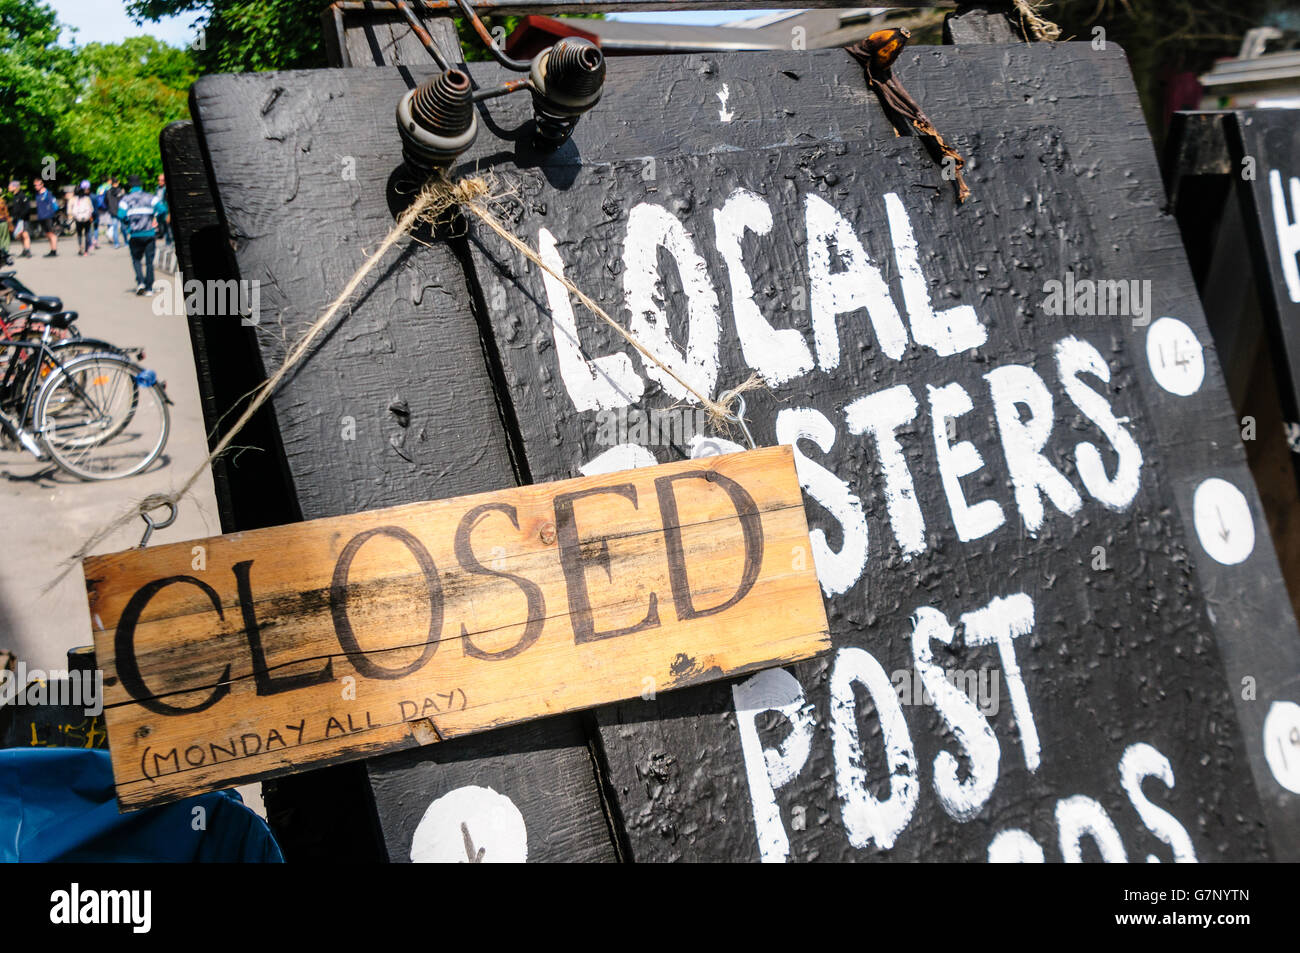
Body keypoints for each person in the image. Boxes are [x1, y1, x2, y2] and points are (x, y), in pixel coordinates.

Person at [118, 174, 168, 295]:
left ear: (130, 186)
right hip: (149, 234)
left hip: (135, 235)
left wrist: (128, 223)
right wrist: (157, 220)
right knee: (149, 262)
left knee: (136, 260)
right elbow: (163, 210)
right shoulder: (150, 197)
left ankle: (140, 282)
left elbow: (120, 215)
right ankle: (149, 288)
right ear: (141, 185)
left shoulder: (125, 200)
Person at [32, 178, 58, 257]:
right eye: (35, 185)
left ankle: (54, 250)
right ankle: (51, 250)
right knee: (47, 234)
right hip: (41, 217)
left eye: (38, 185)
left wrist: (51, 215)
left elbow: (52, 205)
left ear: (42, 184)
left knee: (51, 234)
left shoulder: (48, 193)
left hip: (48, 216)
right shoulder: (37, 194)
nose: (36, 186)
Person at [7, 182, 32, 258]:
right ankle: (24, 249)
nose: (9, 188)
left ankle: (27, 250)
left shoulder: (22, 196)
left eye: (10, 186)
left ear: (15, 187)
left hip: (23, 219)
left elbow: (27, 208)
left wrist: (21, 217)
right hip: (17, 219)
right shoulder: (15, 196)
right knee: (19, 235)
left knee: (25, 234)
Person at [69, 182, 94, 256]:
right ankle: (86, 251)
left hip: (78, 219)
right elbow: (91, 209)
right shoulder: (87, 199)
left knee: (79, 234)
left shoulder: (73, 200)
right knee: (87, 233)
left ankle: (80, 247)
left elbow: (70, 211)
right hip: (86, 218)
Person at [104, 176, 125, 248]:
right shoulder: (120, 191)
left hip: (112, 211)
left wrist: (109, 207)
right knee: (123, 227)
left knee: (115, 227)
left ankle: (116, 243)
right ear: (117, 183)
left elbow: (105, 201)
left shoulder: (108, 191)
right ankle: (126, 242)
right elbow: (124, 201)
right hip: (120, 211)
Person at [155, 173, 171, 246]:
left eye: (162, 180)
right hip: (159, 211)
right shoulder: (157, 188)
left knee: (168, 227)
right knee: (162, 227)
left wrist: (168, 214)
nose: (160, 182)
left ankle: (169, 241)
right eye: (159, 180)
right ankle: (166, 239)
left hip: (166, 210)